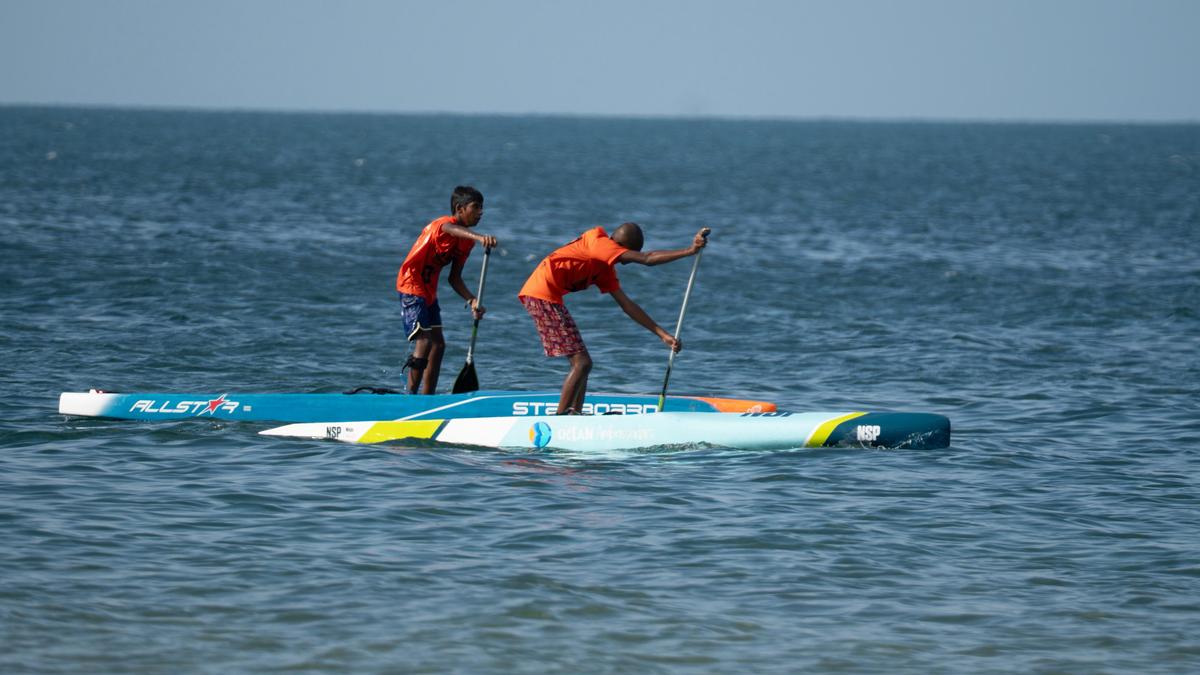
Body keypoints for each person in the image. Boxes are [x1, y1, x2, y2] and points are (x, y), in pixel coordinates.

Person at [518, 223, 709, 414]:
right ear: (620, 245)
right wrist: (690, 251)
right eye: (629, 253)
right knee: (582, 363)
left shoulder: (605, 269)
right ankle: (560, 419)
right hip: (540, 296)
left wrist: (662, 335)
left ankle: (574, 413)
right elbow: (647, 259)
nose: (626, 261)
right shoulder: (600, 244)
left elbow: (627, 305)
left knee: (583, 364)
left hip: (549, 298)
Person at [396, 186, 498, 394]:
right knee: (424, 340)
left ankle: (428, 397)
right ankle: (410, 399)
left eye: (482, 208)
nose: (481, 212)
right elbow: (450, 230)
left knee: (439, 345)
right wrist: (479, 238)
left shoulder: (465, 242)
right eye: (475, 207)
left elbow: (454, 278)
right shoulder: (444, 225)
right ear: (460, 209)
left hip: (429, 292)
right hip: (411, 285)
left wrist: (471, 300)